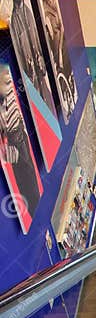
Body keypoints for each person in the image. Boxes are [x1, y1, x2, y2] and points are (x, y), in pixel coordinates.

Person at [0, 63, 41, 223]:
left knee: (29, 188)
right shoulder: (4, 68)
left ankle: (38, 222)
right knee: (29, 188)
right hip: (16, 132)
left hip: (15, 135)